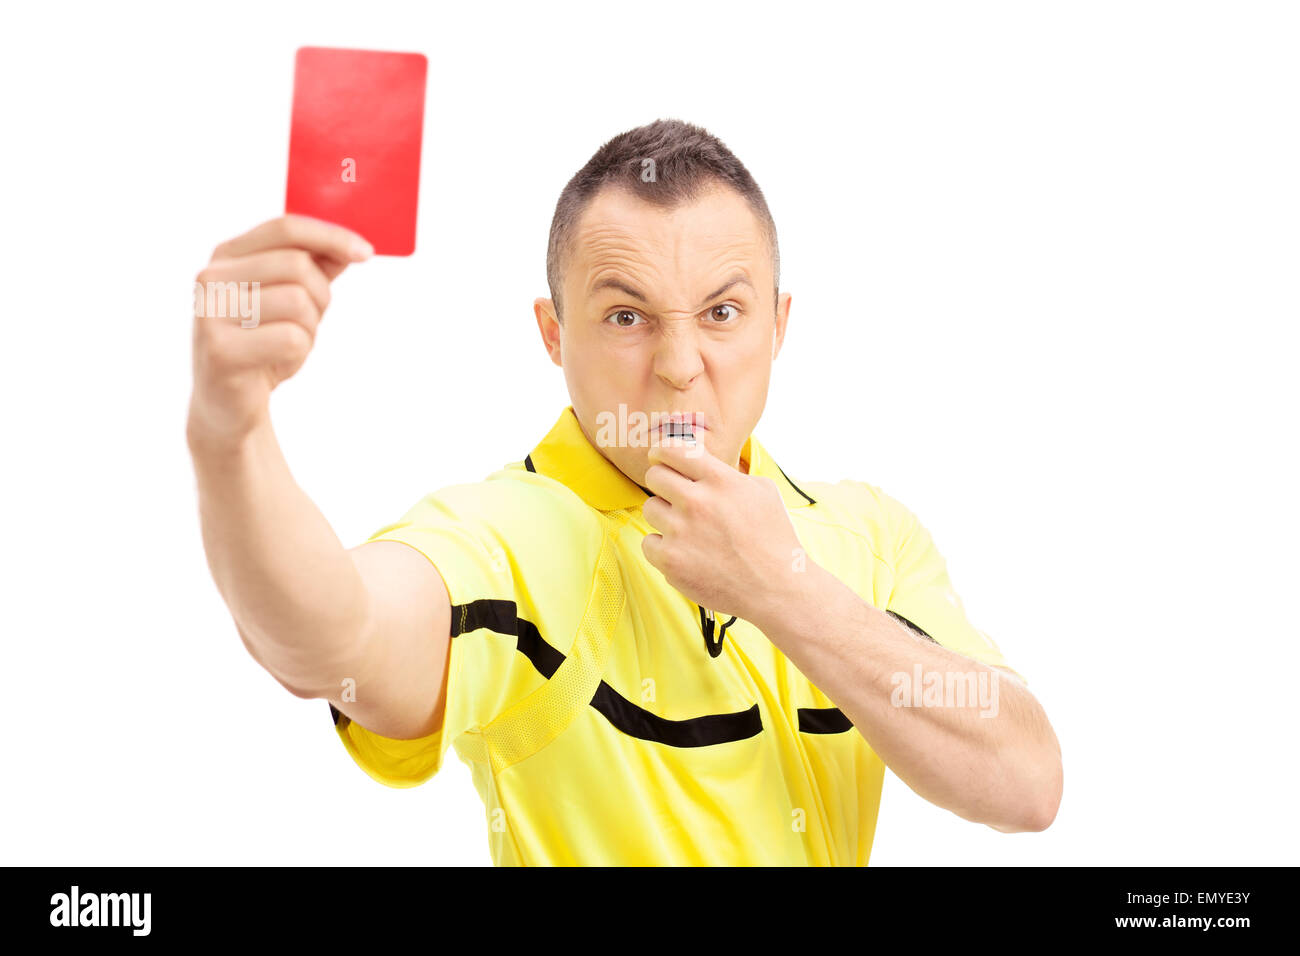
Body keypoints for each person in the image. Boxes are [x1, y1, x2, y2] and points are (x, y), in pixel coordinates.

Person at [188, 118, 1062, 866]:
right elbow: (327, 638)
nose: (681, 371)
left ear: (779, 326)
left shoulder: (870, 533)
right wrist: (231, 434)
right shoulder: (517, 533)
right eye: (626, 316)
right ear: (553, 334)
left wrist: (782, 588)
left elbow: (1026, 785)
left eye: (721, 313)